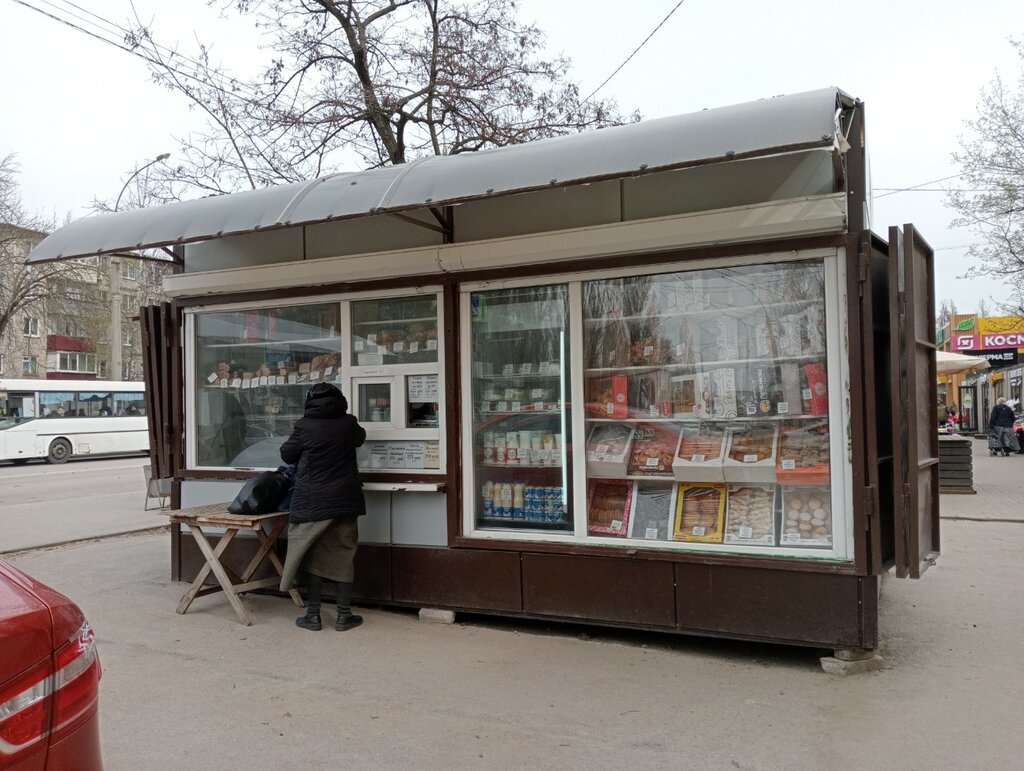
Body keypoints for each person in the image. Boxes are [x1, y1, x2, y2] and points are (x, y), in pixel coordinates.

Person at [278, 382, 367, 631]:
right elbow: (361, 439)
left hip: (311, 501)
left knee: (313, 557)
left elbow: (286, 454)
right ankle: (343, 615)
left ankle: (314, 616)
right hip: (344, 500)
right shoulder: (349, 423)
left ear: (309, 401)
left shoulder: (304, 426)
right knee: (343, 554)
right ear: (340, 399)